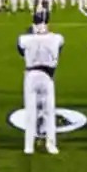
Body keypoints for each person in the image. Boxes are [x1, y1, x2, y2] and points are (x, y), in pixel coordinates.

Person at [18, 11, 64, 155]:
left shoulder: (25, 39)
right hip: (47, 76)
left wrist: (32, 34)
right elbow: (60, 48)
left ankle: (29, 145)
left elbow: (20, 49)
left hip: (31, 74)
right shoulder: (56, 38)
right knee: (49, 111)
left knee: (31, 111)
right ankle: (50, 144)